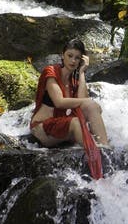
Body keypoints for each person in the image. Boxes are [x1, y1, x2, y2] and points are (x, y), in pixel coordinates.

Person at [30, 39, 109, 179]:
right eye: (70, 56)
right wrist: (87, 101)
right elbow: (59, 102)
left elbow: (83, 100)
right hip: (43, 128)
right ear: (62, 55)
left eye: (77, 58)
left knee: (92, 106)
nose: (73, 61)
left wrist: (82, 73)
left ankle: (106, 150)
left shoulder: (74, 78)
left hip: (61, 125)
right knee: (76, 122)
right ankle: (97, 162)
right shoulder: (51, 72)